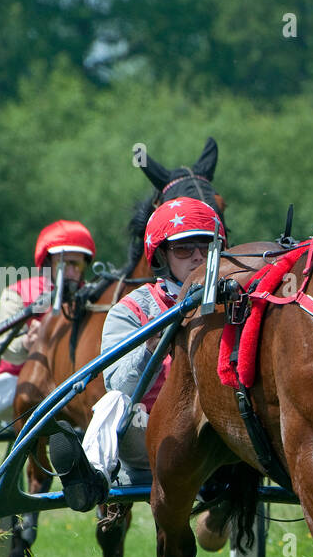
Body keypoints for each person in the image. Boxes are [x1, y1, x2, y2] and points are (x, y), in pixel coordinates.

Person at [49, 198, 220, 510]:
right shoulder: (131, 309)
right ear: (162, 256)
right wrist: (149, 350)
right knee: (112, 401)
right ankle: (93, 477)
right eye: (184, 249)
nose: (198, 257)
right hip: (148, 435)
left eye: (206, 247)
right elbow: (120, 386)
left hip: (212, 433)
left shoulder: (231, 303)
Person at [0, 220, 97, 431]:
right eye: (65, 264)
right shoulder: (18, 294)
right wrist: (28, 342)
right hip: (21, 381)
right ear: (48, 263)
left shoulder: (94, 299)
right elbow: (6, 349)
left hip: (74, 386)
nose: (72, 272)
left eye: (78, 265)